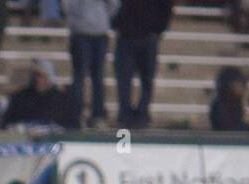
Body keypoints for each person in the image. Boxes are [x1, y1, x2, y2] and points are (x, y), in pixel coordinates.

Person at [113, 0, 172, 128]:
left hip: (145, 35)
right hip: (127, 34)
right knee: (125, 79)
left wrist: (158, 29)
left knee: (146, 79)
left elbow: (166, 6)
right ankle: (126, 115)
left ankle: (141, 114)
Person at [63, 0, 119, 127]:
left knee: (98, 77)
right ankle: (76, 115)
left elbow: (114, 4)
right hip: (80, 33)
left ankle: (97, 115)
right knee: (79, 76)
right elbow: (68, 5)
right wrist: (80, 19)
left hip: (100, 33)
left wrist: (102, 18)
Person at [2, 58, 72, 129]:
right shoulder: (20, 97)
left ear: (48, 77)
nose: (37, 79)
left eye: (40, 75)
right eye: (34, 75)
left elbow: (68, 125)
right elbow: (8, 122)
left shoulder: (60, 100)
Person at [209, 66, 249, 132]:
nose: (241, 88)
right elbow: (228, 129)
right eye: (238, 84)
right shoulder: (220, 106)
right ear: (228, 85)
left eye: (242, 84)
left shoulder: (236, 104)